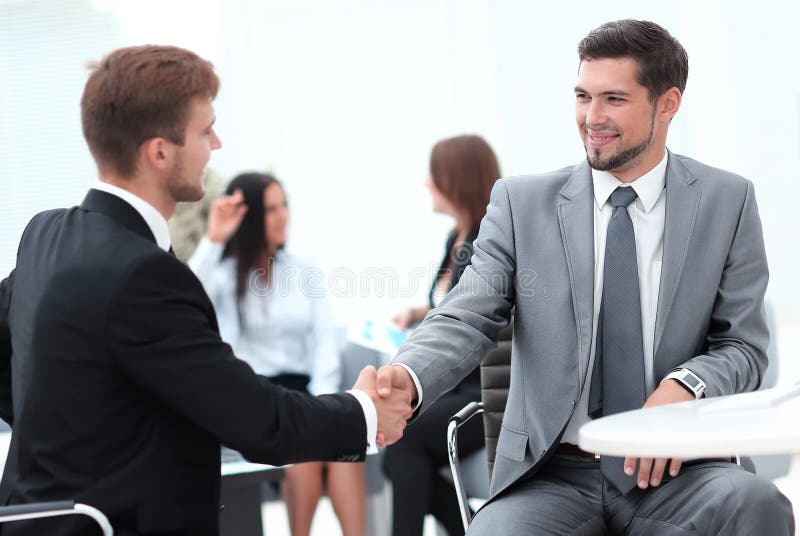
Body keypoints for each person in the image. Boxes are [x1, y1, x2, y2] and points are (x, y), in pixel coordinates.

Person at [376, 19, 795, 534]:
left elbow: (744, 346)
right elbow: (466, 315)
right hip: (553, 475)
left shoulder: (728, 201)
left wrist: (686, 386)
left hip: (682, 469)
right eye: (582, 96)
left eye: (614, 99)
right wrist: (407, 375)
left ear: (667, 104)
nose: (592, 118)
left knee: (758, 504)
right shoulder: (520, 205)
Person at [0, 45, 411, 536]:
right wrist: (365, 412)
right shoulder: (142, 273)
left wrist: (62, 433)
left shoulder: (44, 234)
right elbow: (256, 420)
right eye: (205, 130)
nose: (216, 144)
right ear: (159, 152)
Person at [188, 172, 366, 536]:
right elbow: (185, 293)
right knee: (303, 450)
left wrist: (322, 403)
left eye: (284, 205)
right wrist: (213, 239)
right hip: (255, 395)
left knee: (345, 448)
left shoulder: (303, 267)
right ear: (251, 217)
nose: (283, 215)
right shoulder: (224, 273)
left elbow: (326, 337)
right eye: (271, 209)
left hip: (306, 389)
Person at [384, 135, 498, 536]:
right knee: (396, 450)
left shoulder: (487, 241)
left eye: (433, 174)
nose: (426, 183)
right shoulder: (457, 238)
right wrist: (420, 313)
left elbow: (484, 310)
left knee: (402, 443)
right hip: (452, 384)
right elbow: (458, 303)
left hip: (482, 392)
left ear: (455, 179)